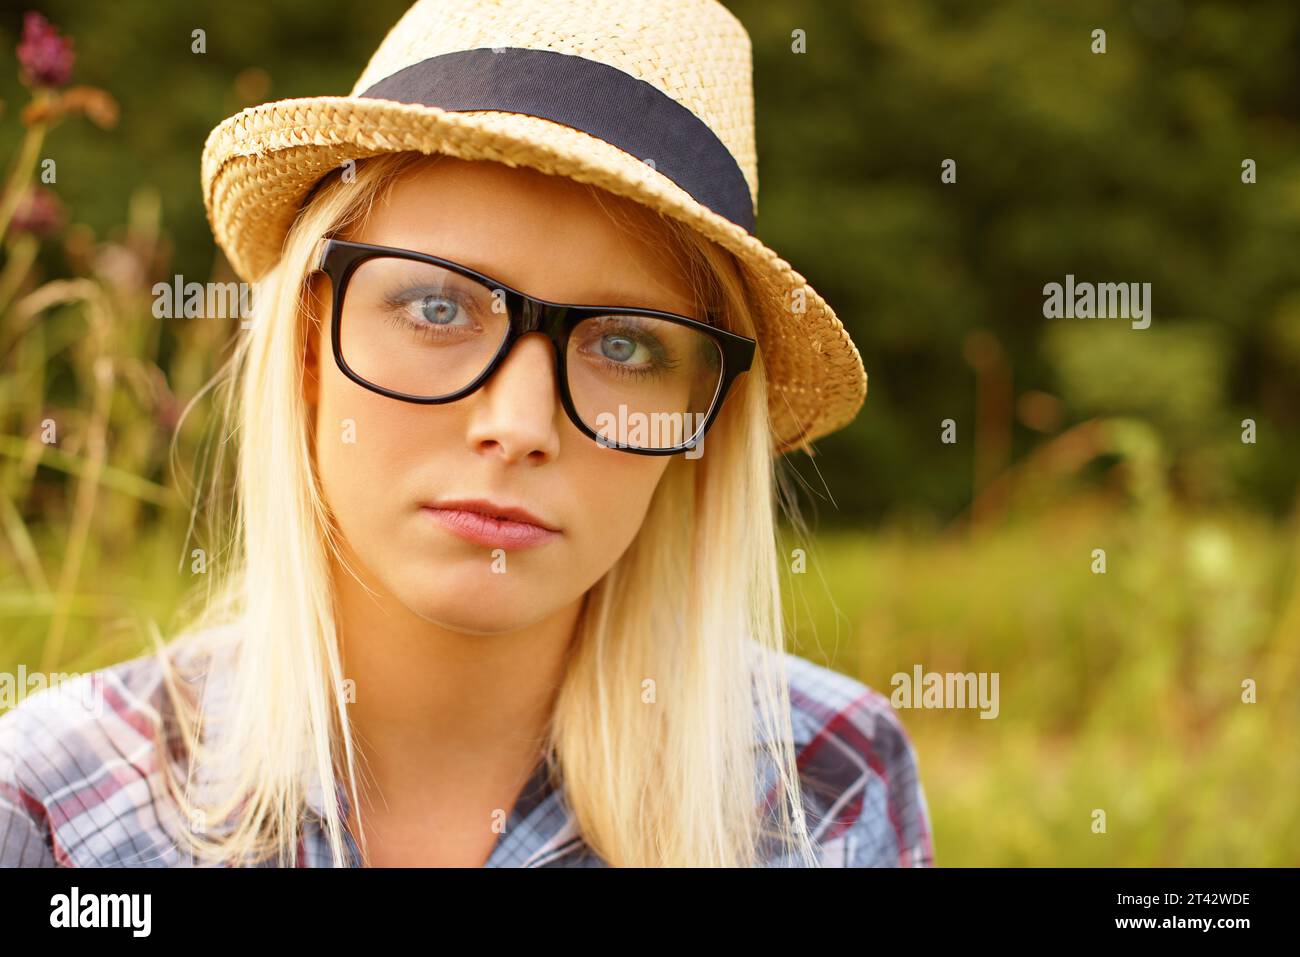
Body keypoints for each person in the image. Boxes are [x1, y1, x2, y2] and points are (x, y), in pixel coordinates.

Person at [0, 0, 932, 868]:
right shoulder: (56, 813)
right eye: (437, 306)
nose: (519, 427)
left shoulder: (821, 791)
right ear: (309, 343)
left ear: (702, 419)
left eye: (624, 344)